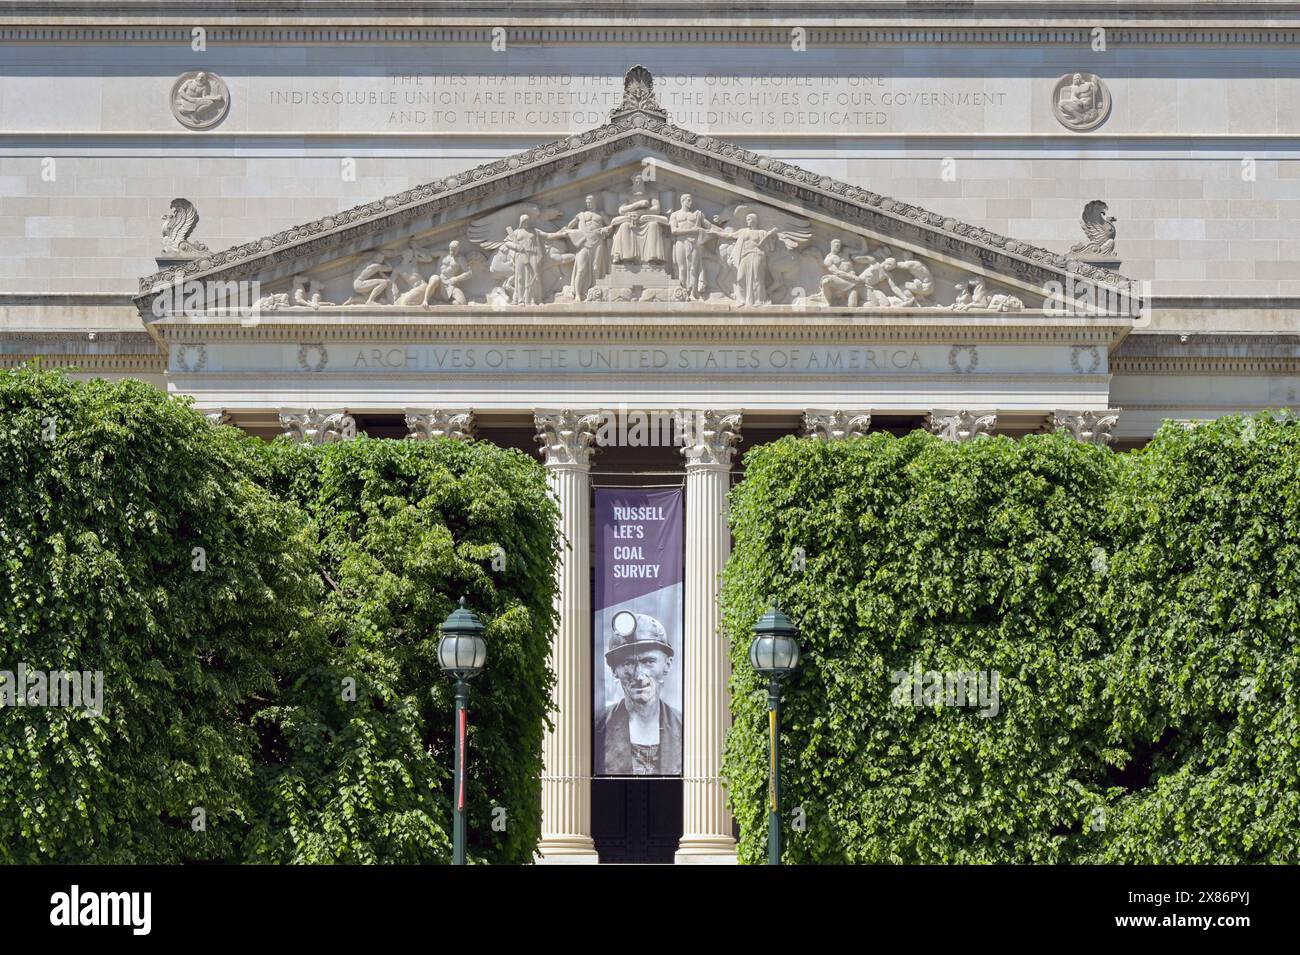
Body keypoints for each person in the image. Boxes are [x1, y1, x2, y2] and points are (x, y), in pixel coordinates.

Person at [595, 611, 682, 775]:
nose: (639, 676)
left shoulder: (686, 727)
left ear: (667, 664)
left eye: (648, 661)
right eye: (628, 663)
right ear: (614, 670)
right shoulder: (597, 727)